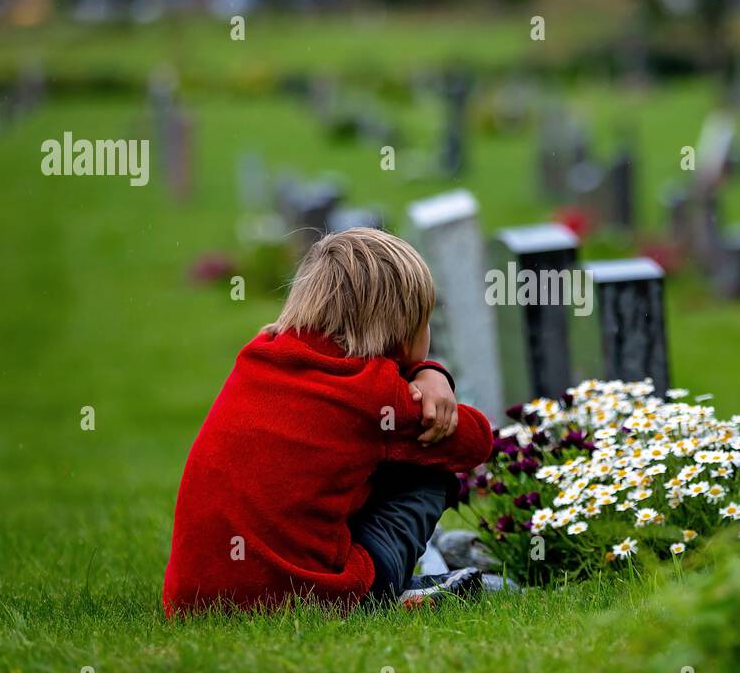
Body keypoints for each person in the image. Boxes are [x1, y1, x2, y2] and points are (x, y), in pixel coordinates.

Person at [162, 228, 494, 616]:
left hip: (192, 599)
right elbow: (475, 442)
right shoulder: (371, 392)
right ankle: (381, 593)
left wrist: (422, 372)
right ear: (401, 332)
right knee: (429, 474)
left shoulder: (260, 355)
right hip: (314, 598)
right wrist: (432, 373)